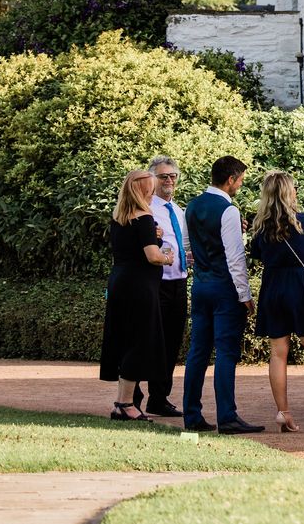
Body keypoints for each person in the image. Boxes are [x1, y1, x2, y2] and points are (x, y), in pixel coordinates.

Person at [183, 155, 261, 435]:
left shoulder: (190, 207)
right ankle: (227, 416)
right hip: (224, 288)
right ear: (230, 180)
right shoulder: (228, 211)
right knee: (226, 353)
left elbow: (187, 246)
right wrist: (245, 295)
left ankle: (191, 415)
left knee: (198, 352)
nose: (240, 185)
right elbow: (235, 258)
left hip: (201, 286)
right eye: (240, 180)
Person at [249, 170, 304, 433]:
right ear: (288, 193)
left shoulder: (260, 227)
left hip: (272, 287)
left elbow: (259, 256)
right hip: (301, 287)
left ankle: (283, 412)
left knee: (278, 353)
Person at [100, 167, 172, 421]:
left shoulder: (120, 217)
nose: (153, 194)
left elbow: (133, 246)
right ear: (144, 190)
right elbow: (151, 256)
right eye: (151, 189)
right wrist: (167, 257)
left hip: (120, 282)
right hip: (140, 286)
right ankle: (127, 403)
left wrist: (155, 237)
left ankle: (120, 403)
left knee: (125, 337)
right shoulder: (143, 217)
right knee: (140, 340)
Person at [135, 155, 190, 418]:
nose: (169, 181)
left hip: (178, 281)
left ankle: (159, 397)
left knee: (171, 342)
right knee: (146, 340)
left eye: (173, 176)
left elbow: (181, 244)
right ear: (152, 179)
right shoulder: (146, 209)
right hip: (155, 282)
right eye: (163, 176)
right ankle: (132, 397)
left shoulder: (179, 210)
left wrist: (185, 257)